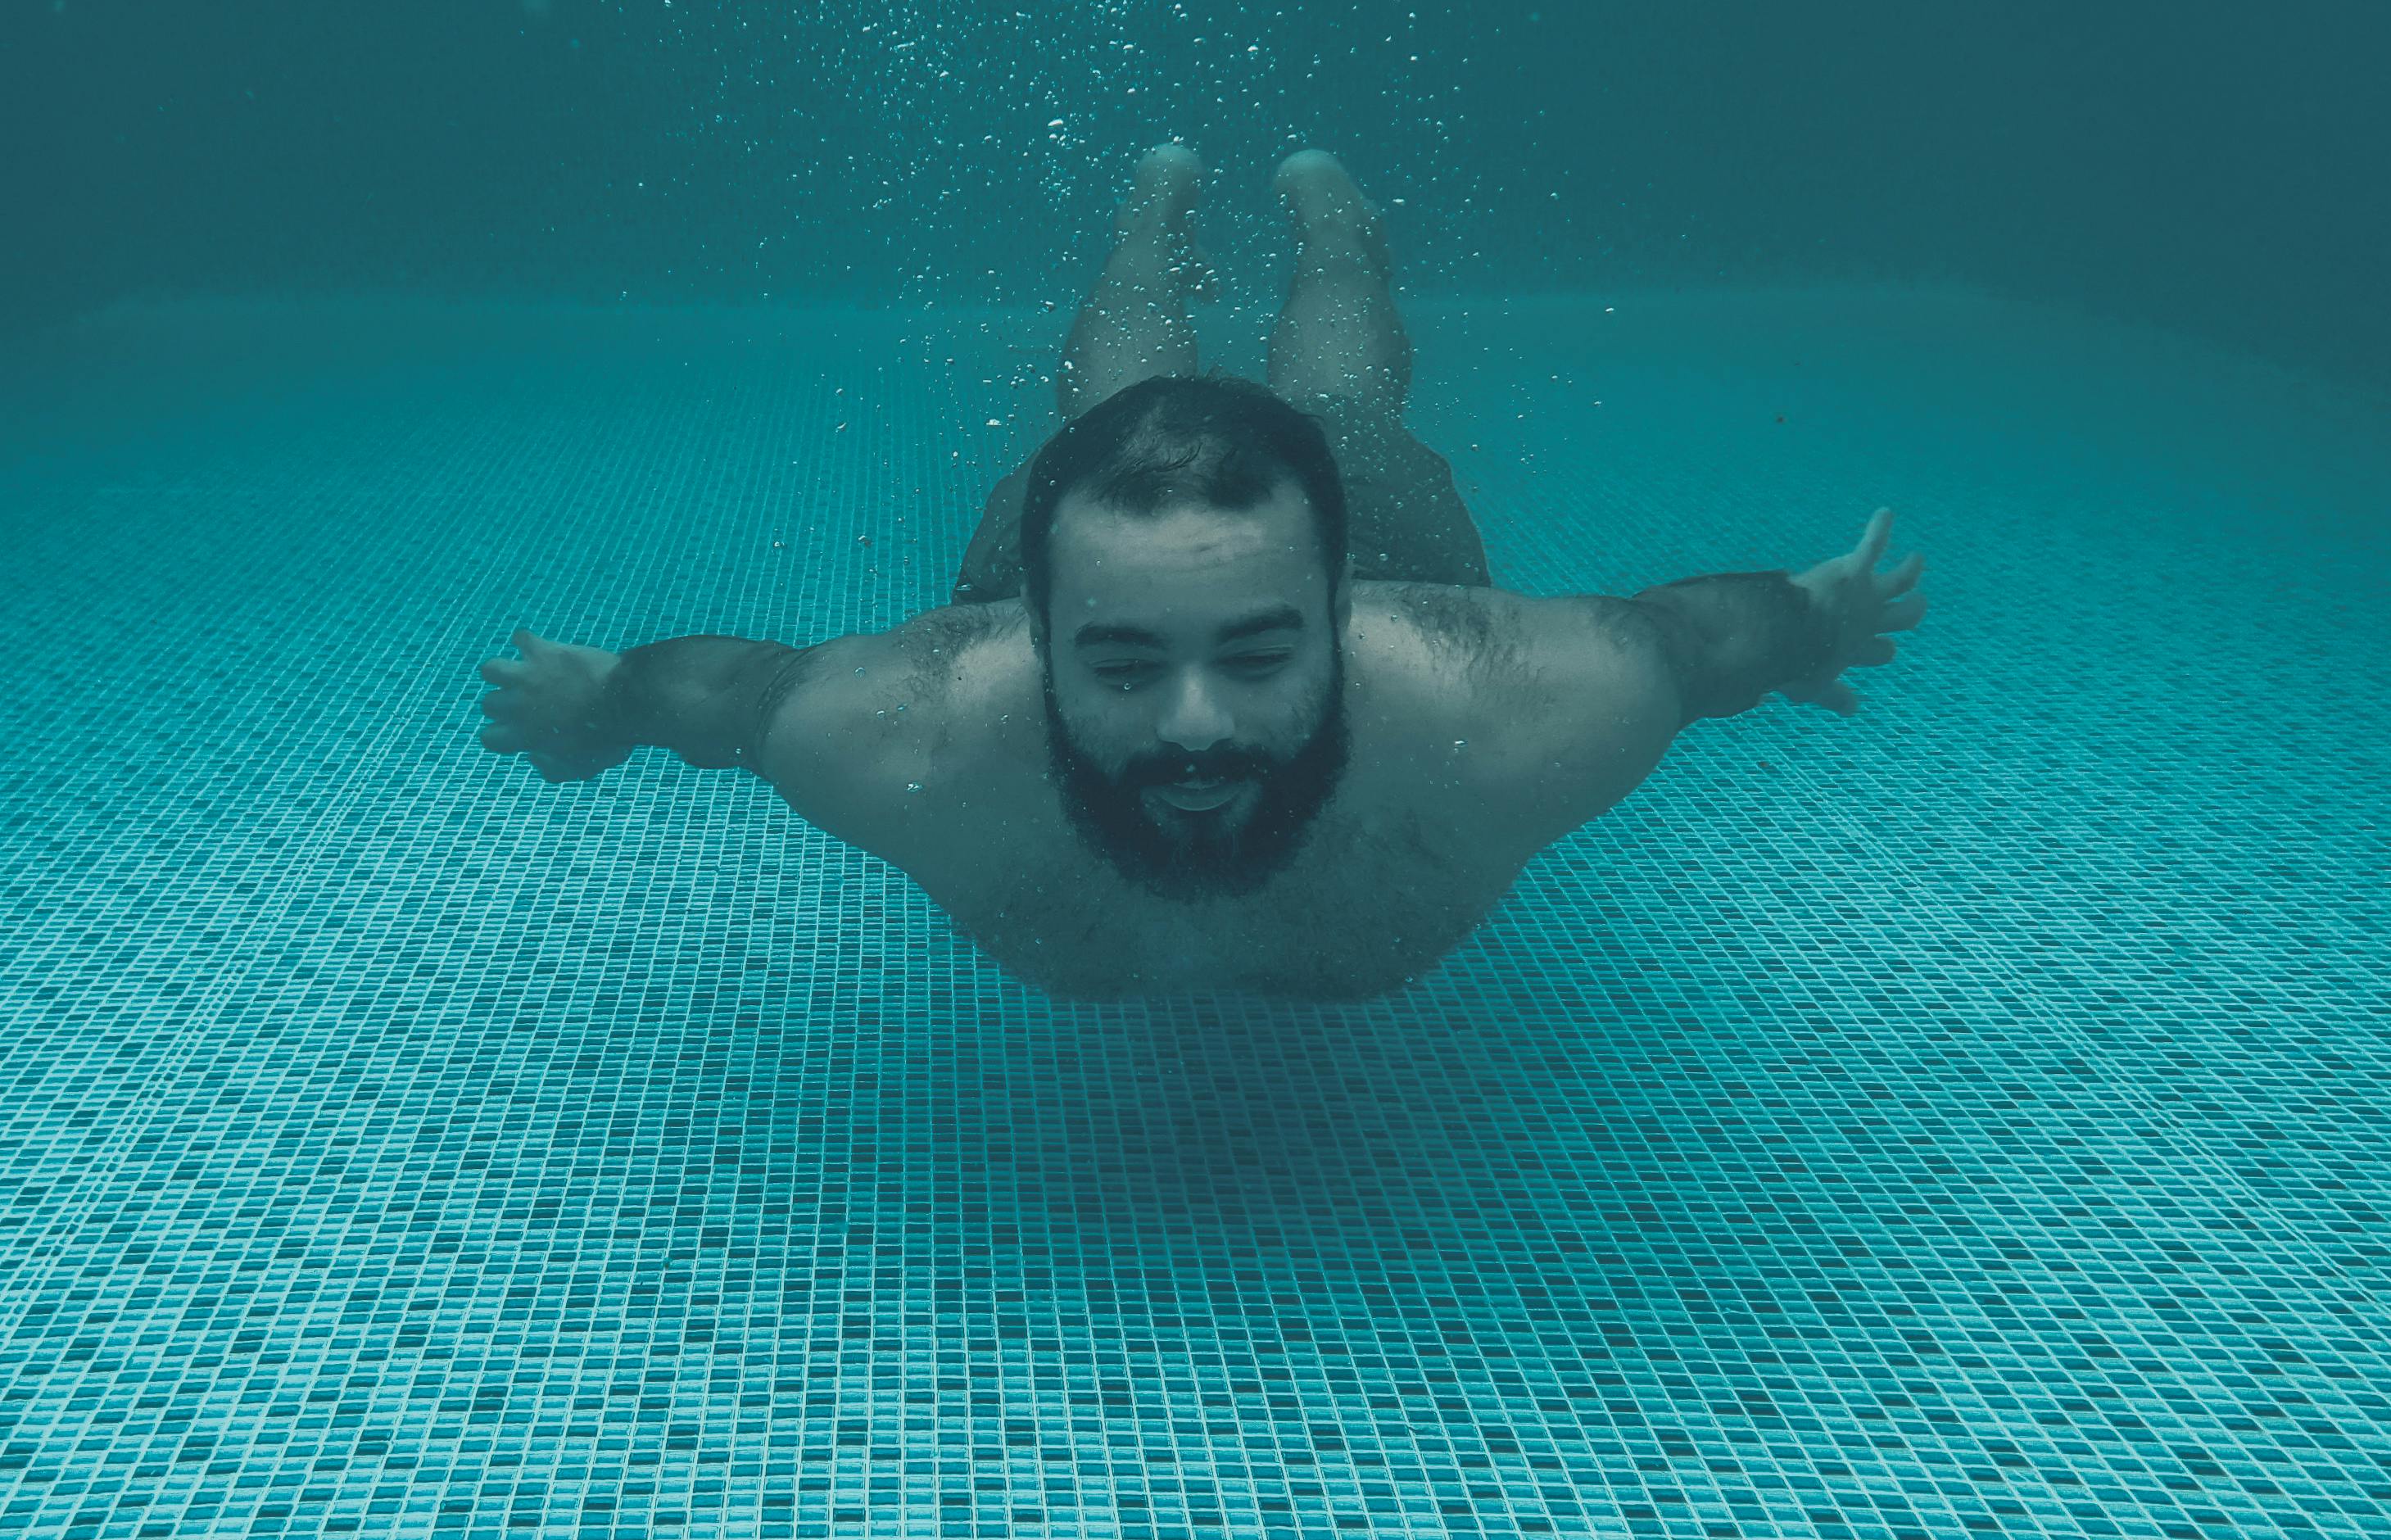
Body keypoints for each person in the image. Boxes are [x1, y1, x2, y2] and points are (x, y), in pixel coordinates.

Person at [477, 147, 1927, 1001]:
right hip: (1120, 574)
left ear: (1340, 612)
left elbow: (1689, 640)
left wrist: (1809, 621)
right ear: (1032, 635)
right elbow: (730, 693)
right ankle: (1147, 229)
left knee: (1352, 418)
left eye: (1255, 655)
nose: (1192, 727)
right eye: (1118, 665)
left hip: (1353, 531)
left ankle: (1338, 235)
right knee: (1108, 414)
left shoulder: (1525, 708)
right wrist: (604, 702)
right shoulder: (900, 732)